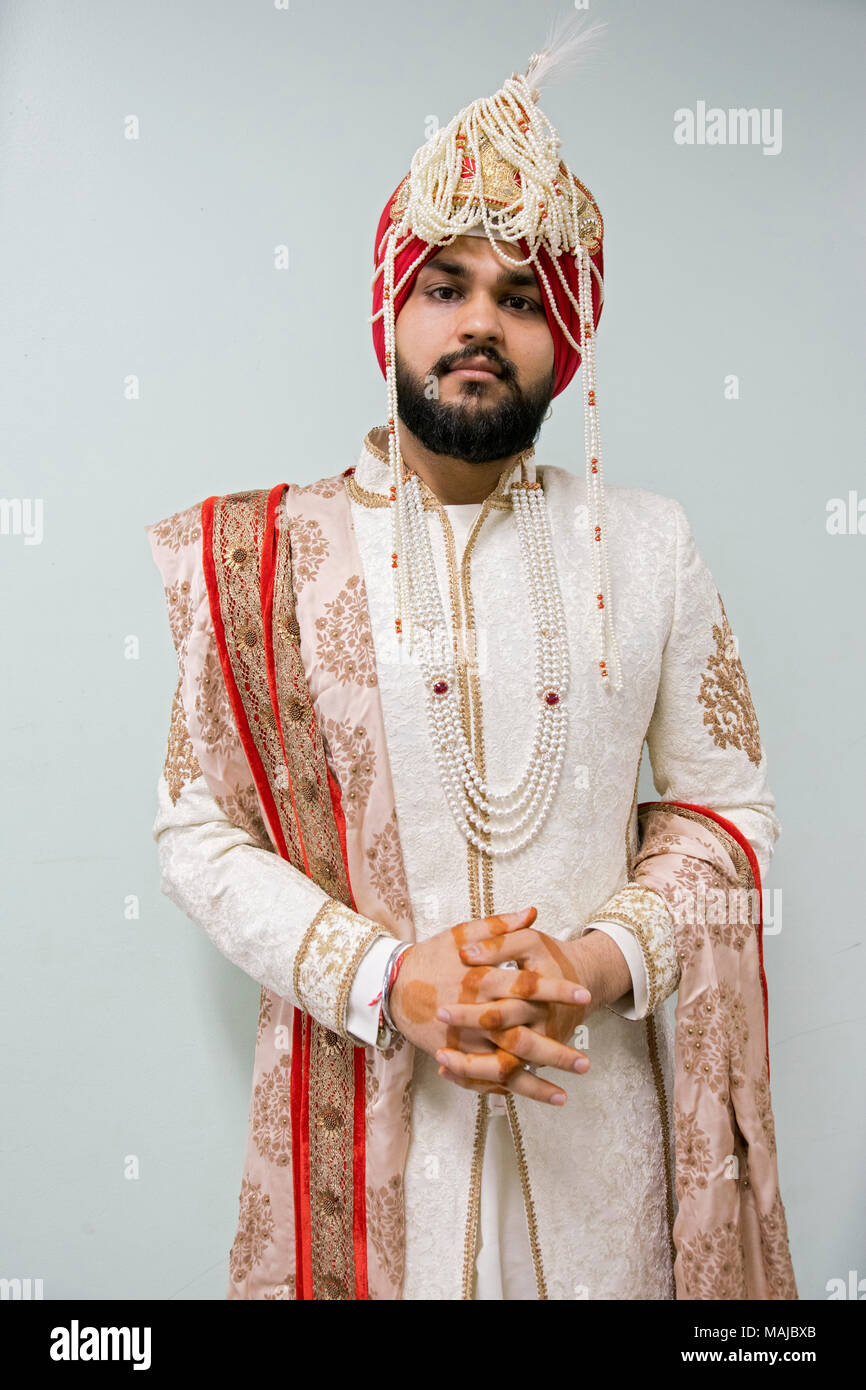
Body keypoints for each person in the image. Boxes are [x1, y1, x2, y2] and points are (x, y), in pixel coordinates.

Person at [145, 22, 797, 1300]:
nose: (480, 323)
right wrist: (394, 980)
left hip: (596, 1150)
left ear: (570, 338)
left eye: (522, 294)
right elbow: (195, 832)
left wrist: (592, 962)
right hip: (374, 1138)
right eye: (443, 285)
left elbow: (732, 816)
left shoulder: (649, 546)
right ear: (390, 311)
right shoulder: (267, 557)